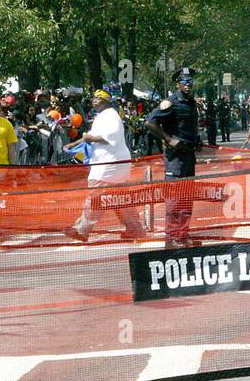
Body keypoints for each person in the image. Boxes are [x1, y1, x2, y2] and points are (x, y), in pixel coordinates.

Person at [66, 89, 146, 241]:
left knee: (95, 197)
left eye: (98, 98)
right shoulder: (103, 116)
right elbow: (90, 136)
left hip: (109, 165)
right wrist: (74, 144)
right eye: (94, 98)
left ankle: (82, 230)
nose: (94, 101)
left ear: (106, 101)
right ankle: (135, 229)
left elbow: (108, 137)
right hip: (112, 164)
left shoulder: (111, 116)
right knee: (120, 199)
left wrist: (89, 138)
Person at [145, 66, 201, 248]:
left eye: (190, 82)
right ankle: (171, 237)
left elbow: (189, 127)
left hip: (189, 155)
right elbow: (150, 122)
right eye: (185, 82)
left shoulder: (191, 103)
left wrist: (197, 139)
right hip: (175, 157)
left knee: (187, 196)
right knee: (175, 198)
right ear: (178, 84)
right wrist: (168, 139)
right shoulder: (170, 103)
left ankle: (183, 234)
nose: (188, 85)